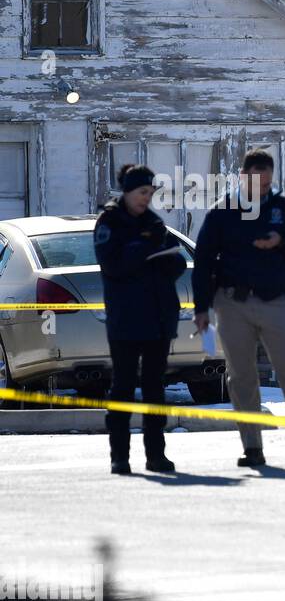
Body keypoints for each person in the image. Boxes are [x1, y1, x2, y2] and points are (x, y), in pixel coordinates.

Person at [192, 149, 285, 468]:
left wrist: (280, 240)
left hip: (276, 300)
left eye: (267, 183)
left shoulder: (284, 207)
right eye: (257, 182)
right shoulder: (222, 212)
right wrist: (201, 308)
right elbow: (202, 261)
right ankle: (252, 449)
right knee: (241, 377)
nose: (262, 188)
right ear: (243, 177)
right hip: (232, 303)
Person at [94, 164, 188, 475]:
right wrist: (145, 250)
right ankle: (119, 456)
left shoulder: (154, 223)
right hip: (126, 318)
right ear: (128, 191)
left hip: (158, 317)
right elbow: (113, 266)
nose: (146, 198)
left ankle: (156, 455)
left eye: (150, 193)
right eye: (142, 192)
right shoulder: (110, 222)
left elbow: (176, 262)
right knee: (122, 386)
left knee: (154, 388)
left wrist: (158, 257)